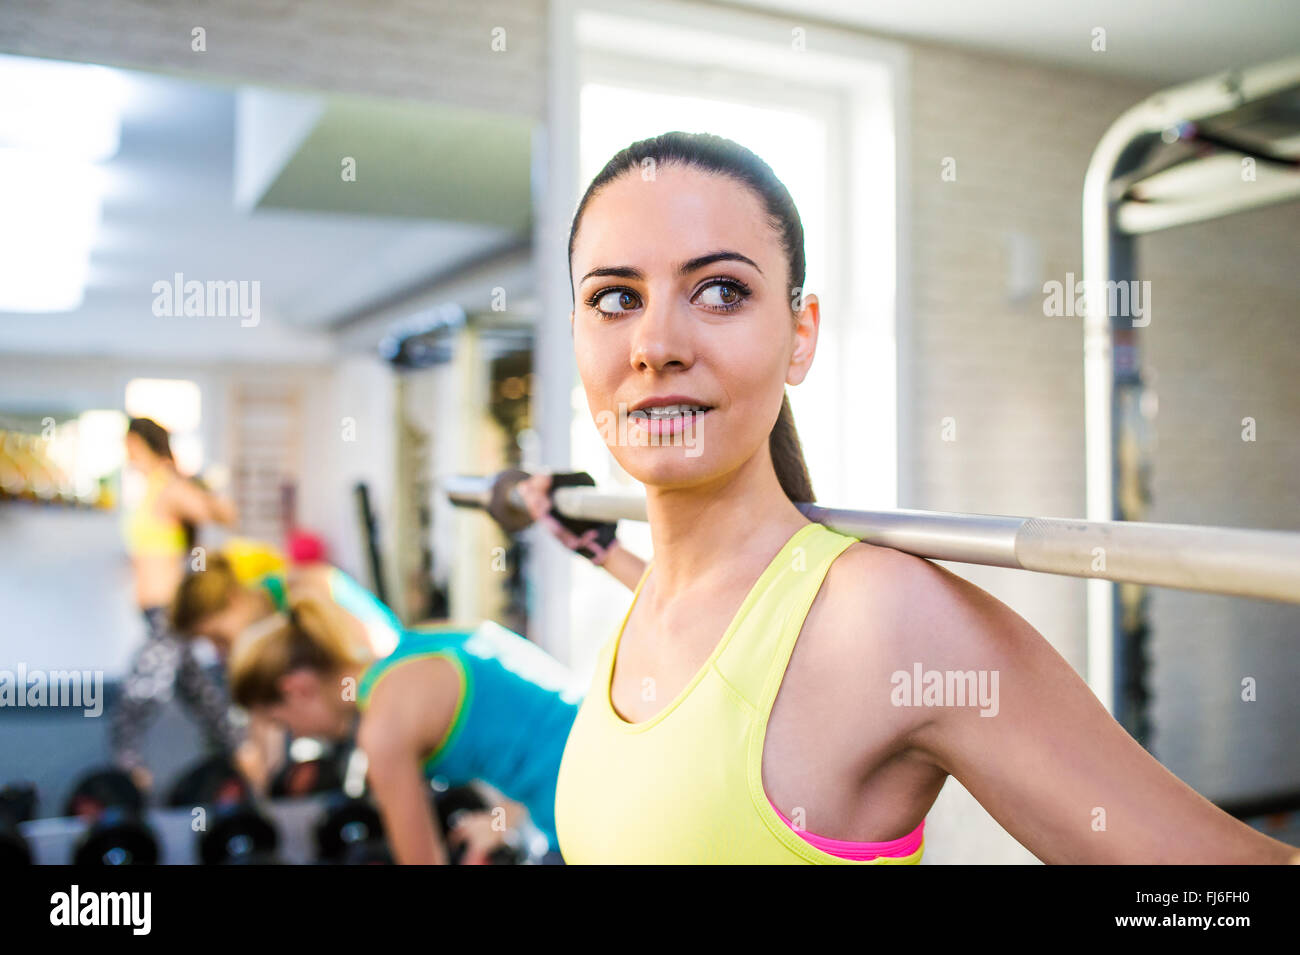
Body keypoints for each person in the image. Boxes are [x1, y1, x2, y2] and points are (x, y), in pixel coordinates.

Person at [549, 130, 1300, 864]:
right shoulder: (655, 601)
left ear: (800, 336)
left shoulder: (883, 618)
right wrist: (597, 546)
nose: (656, 343)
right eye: (615, 297)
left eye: (719, 291)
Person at [225, 598, 583, 864]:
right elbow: (533, 720)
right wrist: (503, 817)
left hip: (592, 818)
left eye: (283, 722)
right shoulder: (420, 642)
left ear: (297, 688)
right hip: (611, 748)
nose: (298, 737)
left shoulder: (382, 731)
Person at [168, 549, 403, 790]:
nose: (219, 652)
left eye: (218, 638)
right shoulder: (270, 629)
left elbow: (372, 657)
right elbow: (263, 721)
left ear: (233, 599)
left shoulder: (309, 590)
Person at [111, 416, 242, 791]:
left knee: (136, 699)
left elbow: (222, 514)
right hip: (155, 613)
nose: (127, 456)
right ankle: (239, 758)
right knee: (200, 696)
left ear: (141, 443)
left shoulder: (169, 484)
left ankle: (128, 778)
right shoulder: (152, 487)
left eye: (130, 447)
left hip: (169, 615)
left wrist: (202, 491)